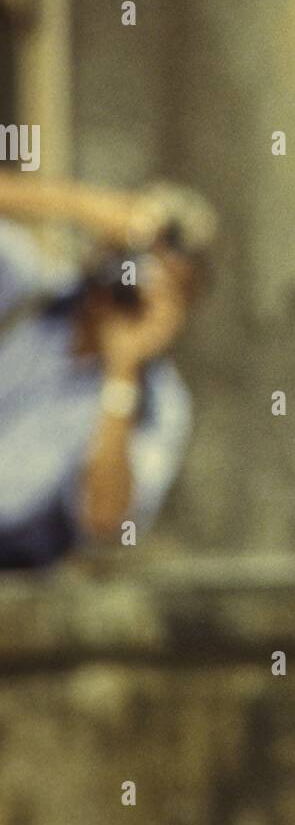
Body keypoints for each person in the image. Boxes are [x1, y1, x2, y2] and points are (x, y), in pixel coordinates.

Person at [0, 173, 215, 569]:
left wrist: (122, 368)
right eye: (130, 257)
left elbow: (103, 521)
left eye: (159, 275)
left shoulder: (157, 405)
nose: (129, 278)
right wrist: (79, 205)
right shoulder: (25, 292)